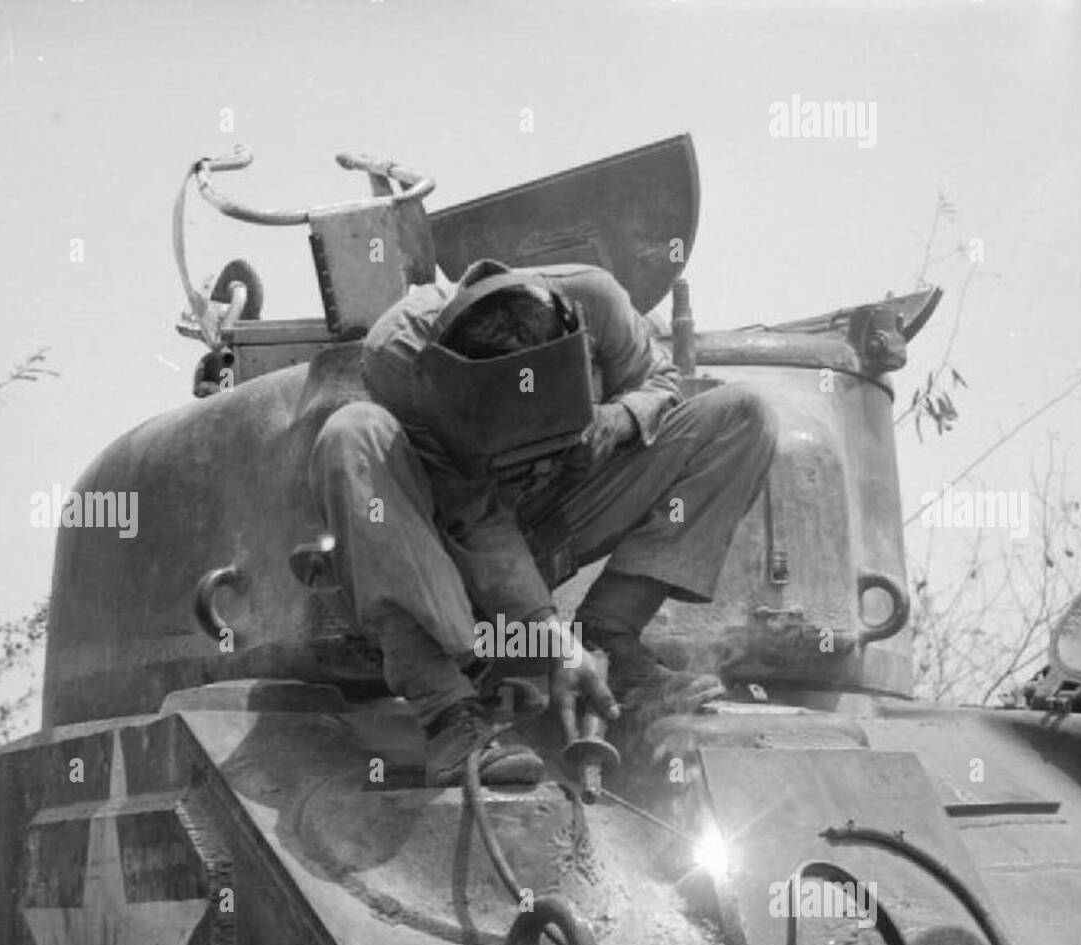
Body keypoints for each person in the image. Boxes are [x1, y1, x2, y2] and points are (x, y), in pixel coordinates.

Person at [310, 258, 777, 786]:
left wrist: (618, 419)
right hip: (446, 548)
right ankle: (447, 711)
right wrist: (550, 642)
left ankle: (612, 641)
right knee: (354, 434)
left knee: (742, 414)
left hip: (567, 503)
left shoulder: (595, 298)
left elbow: (660, 380)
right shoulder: (401, 358)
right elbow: (477, 520)